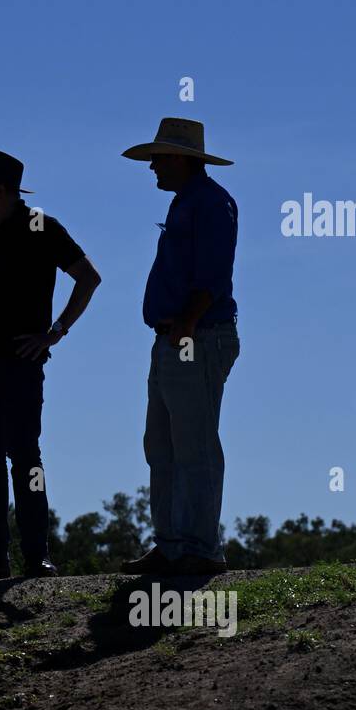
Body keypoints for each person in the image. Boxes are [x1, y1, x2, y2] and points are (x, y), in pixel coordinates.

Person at [0, 149, 100, 581]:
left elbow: (89, 277)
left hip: (21, 362)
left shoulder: (41, 226)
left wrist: (56, 331)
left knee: (26, 458)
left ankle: (37, 557)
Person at [119, 118, 240, 576]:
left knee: (193, 443)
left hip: (194, 334)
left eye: (157, 159)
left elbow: (213, 274)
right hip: (179, 334)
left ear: (178, 159)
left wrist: (186, 323)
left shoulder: (209, 202)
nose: (152, 168)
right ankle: (173, 544)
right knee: (164, 442)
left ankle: (200, 546)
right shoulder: (193, 202)